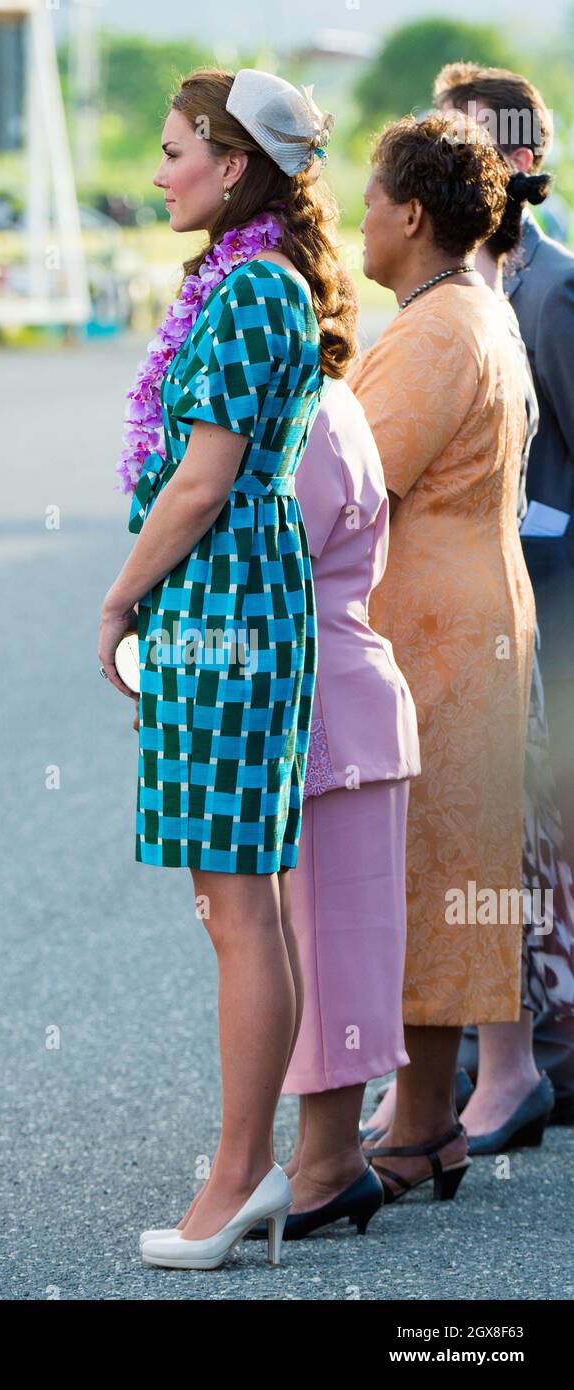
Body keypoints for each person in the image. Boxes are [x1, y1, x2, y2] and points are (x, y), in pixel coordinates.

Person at [98, 65, 358, 1269]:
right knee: (238, 901)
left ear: (235, 164)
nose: (157, 174)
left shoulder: (253, 288)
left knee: (238, 904)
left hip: (227, 605)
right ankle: (251, 1167)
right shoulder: (254, 278)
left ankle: (237, 1175)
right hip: (238, 600)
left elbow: (202, 478)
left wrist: (119, 594)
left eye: (171, 151)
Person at [349, 112, 536, 1202]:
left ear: (411, 214)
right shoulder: (474, 308)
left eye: (369, 200)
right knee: (452, 867)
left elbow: (357, 483)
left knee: (428, 868)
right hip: (476, 614)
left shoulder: (433, 330)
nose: (357, 221)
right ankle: (429, 1124)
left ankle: (418, 1125)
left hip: (438, 632)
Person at [238, 366, 423, 1245]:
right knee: (330, 939)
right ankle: (327, 1156)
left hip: (329, 707)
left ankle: (327, 1163)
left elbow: (267, 558)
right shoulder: (331, 400)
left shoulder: (307, 416)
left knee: (328, 944)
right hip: (342, 701)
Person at [434, 62, 574, 1126]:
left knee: (548, 824)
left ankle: (544, 1054)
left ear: (520, 156)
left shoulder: (553, 286)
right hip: (486, 602)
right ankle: (503, 1054)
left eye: (470, 142)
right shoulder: (457, 284)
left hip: (553, 594)